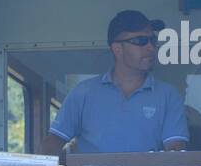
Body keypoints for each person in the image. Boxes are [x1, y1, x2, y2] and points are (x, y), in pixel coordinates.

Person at [46, 10, 188, 155]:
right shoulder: (82, 93)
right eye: (141, 41)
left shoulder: (169, 96)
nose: (151, 47)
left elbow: (176, 153)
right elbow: (52, 144)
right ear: (117, 49)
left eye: (153, 40)